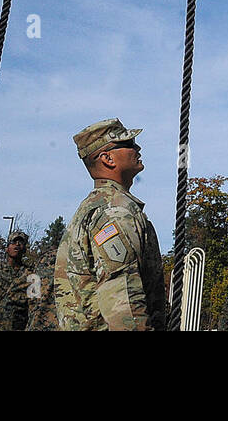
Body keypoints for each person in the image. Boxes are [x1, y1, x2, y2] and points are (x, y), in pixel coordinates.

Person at [55, 118, 166, 330]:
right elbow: (123, 303)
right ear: (108, 158)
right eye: (129, 144)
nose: (137, 147)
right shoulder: (114, 212)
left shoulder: (94, 207)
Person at [0, 230, 37, 331]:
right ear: (7, 248)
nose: (17, 245)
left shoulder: (31, 275)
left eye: (21, 243)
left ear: (25, 249)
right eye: (14, 242)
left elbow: (34, 305)